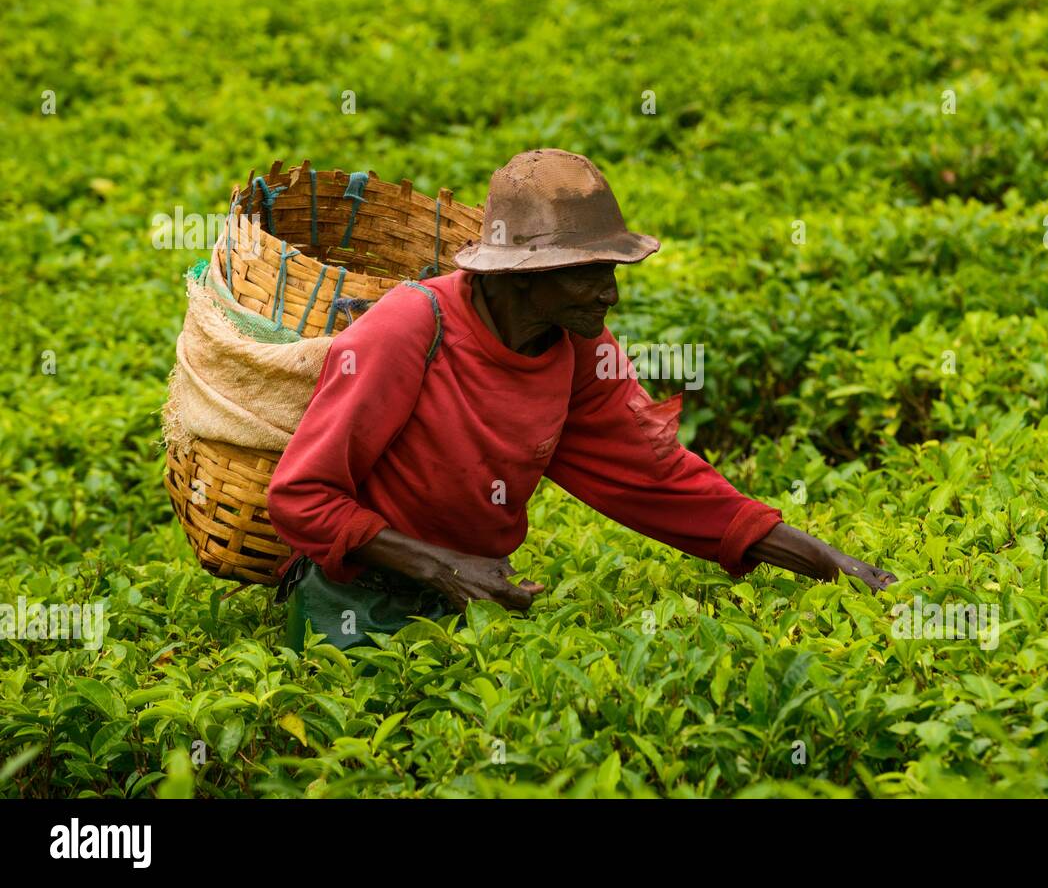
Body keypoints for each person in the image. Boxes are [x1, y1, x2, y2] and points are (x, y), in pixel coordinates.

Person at [267, 148, 895, 649]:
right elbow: (301, 498)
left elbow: (659, 480)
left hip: (472, 599)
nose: (610, 296)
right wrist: (444, 567)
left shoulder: (579, 349)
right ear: (524, 275)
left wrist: (829, 562)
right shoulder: (410, 325)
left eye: (612, 273)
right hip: (354, 603)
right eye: (589, 274)